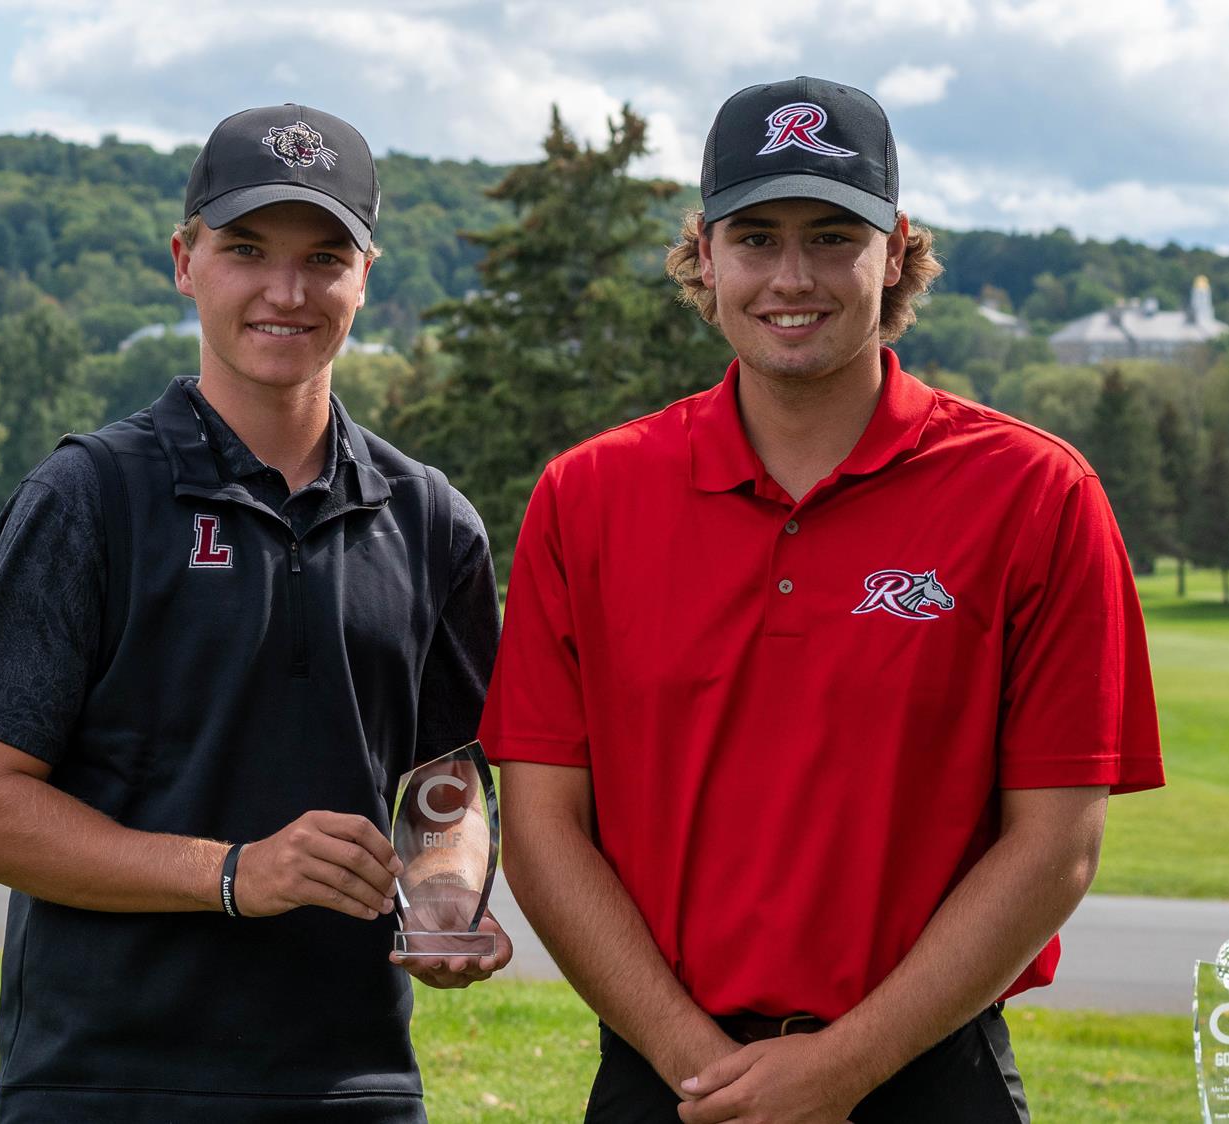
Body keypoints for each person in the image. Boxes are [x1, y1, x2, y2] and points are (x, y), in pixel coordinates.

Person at [482, 76, 1163, 1123]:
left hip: (928, 1070)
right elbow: (539, 828)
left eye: (832, 236)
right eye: (755, 237)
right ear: (703, 256)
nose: (790, 276)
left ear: (893, 253)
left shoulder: (1033, 492)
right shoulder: (588, 495)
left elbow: (1053, 846)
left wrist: (839, 1067)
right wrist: (698, 1064)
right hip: (665, 1074)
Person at [0, 102, 508, 1123]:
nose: (285, 291)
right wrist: (236, 872)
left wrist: (447, 896)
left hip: (353, 1084)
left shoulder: (431, 521)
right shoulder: (87, 498)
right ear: (184, 259)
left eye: (324, 257)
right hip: (102, 1083)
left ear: (365, 275)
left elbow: (443, 778)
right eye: (246, 249)